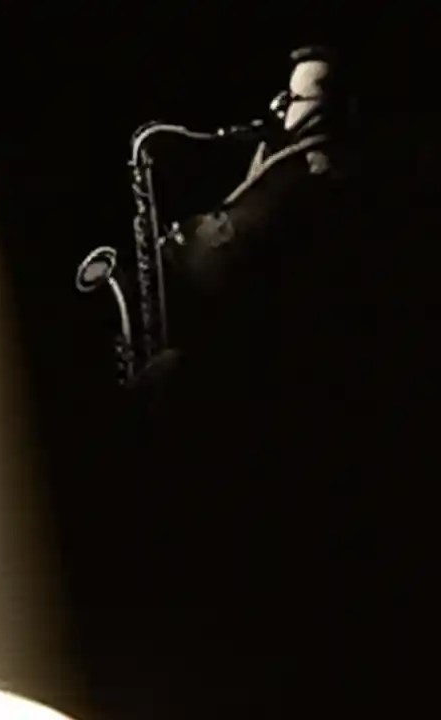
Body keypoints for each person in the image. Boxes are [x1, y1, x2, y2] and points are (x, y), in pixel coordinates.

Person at [129, 46, 369, 719]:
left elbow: (220, 253)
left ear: (336, 103)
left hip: (269, 397)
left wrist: (179, 241)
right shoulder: (297, 163)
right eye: (282, 96)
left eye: (295, 97)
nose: (277, 109)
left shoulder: (317, 170)